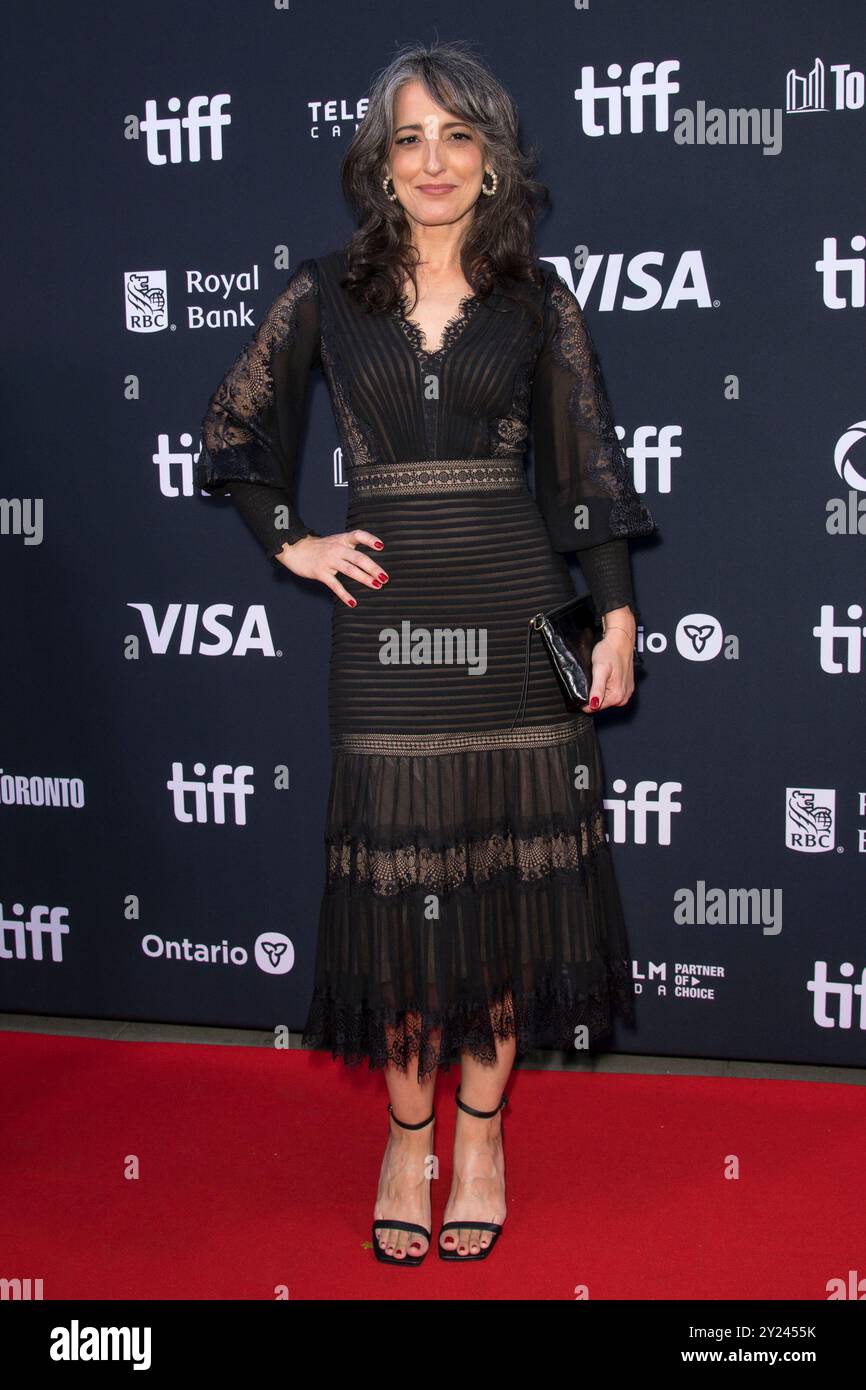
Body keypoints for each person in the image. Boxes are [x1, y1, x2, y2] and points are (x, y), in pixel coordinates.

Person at [197, 40, 657, 1267]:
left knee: (502, 903)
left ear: (493, 158)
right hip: (389, 637)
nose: (434, 159)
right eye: (409, 136)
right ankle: (408, 1139)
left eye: (458, 135)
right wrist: (291, 538)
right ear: (377, 160)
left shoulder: (535, 301)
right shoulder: (324, 293)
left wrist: (610, 614)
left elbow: (586, 478)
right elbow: (236, 431)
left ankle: (483, 1131)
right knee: (402, 907)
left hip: (514, 621)